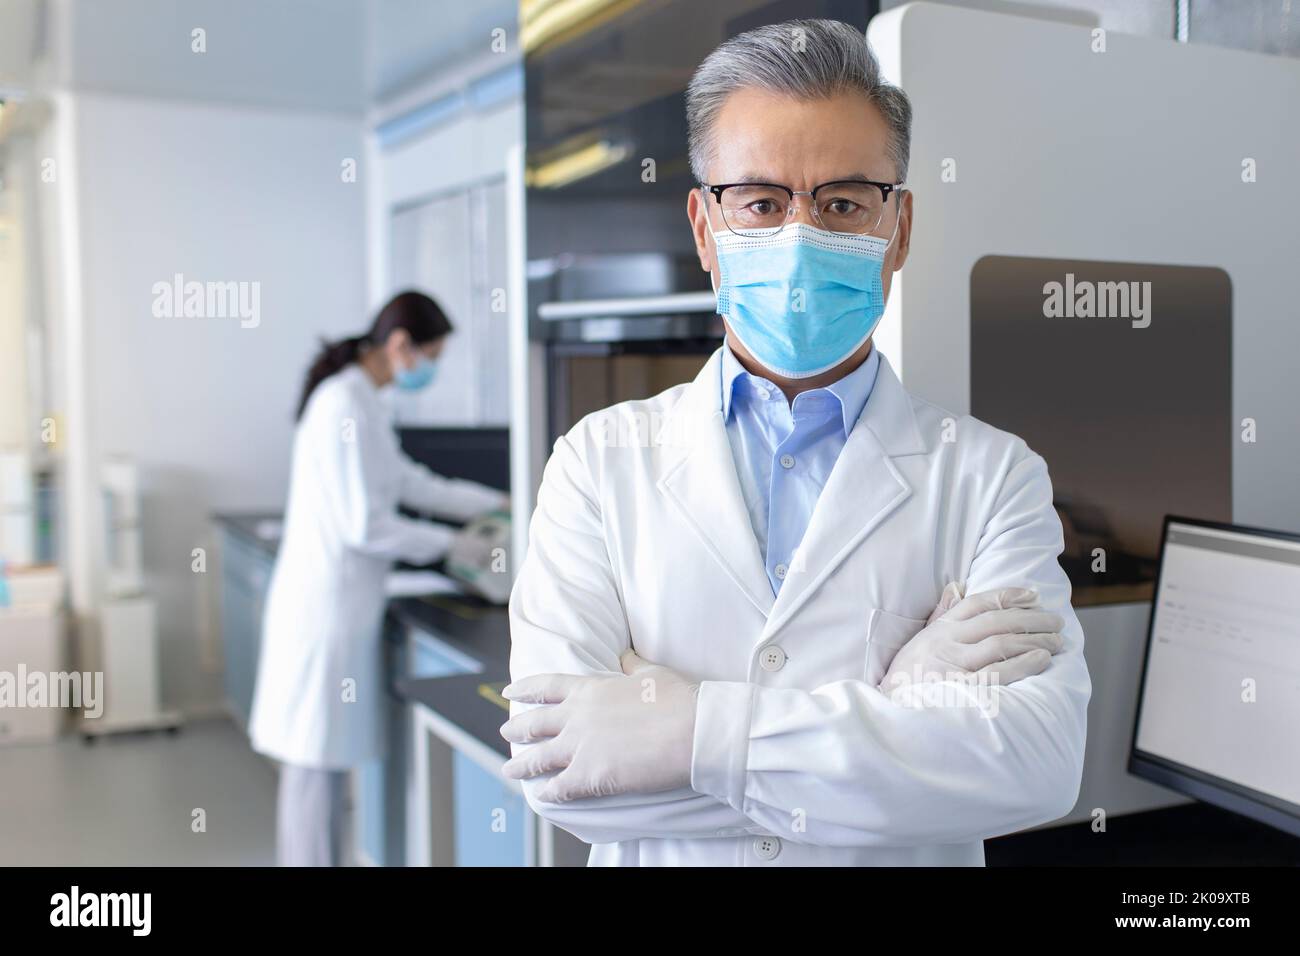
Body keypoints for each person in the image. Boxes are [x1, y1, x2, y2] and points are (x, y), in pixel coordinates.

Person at [501, 19, 1091, 866]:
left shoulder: (993, 475)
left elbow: (1034, 765)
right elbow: (558, 773)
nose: (801, 236)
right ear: (706, 230)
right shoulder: (597, 463)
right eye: (762, 202)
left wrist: (685, 728)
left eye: (843, 201)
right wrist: (898, 703)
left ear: (900, 230)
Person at [250, 290, 507, 866]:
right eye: (432, 356)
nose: (431, 369)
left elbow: (412, 483)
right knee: (313, 772)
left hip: (340, 608)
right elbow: (363, 524)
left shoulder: (362, 401)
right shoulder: (344, 403)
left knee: (320, 769)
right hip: (324, 614)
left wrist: (496, 502)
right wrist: (455, 544)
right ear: (399, 346)